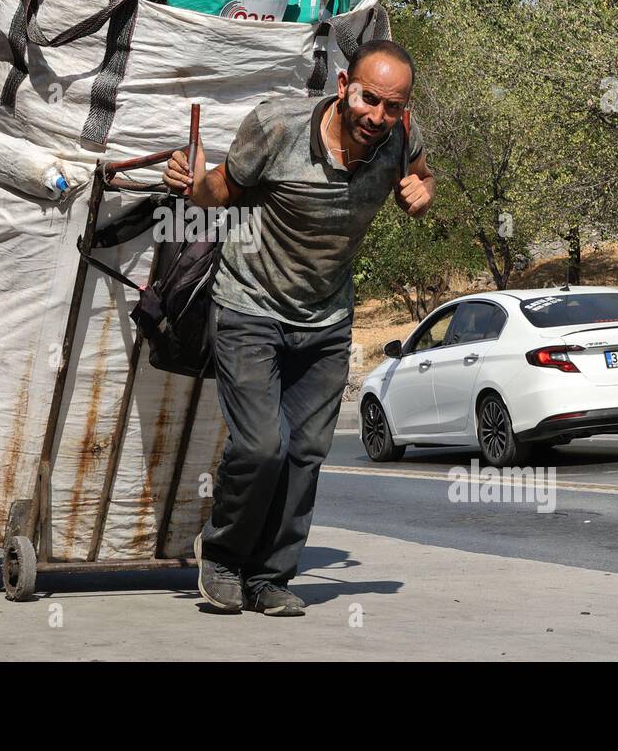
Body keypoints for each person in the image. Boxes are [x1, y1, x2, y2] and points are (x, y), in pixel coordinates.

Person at [162, 39, 435, 616]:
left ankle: (270, 576)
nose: (378, 117)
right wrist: (190, 182)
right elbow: (222, 191)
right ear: (343, 86)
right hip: (249, 305)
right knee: (262, 447)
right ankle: (222, 556)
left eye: (392, 106)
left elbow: (420, 173)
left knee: (306, 452)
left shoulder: (401, 138)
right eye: (369, 99)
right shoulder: (278, 127)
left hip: (326, 318)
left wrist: (422, 191)